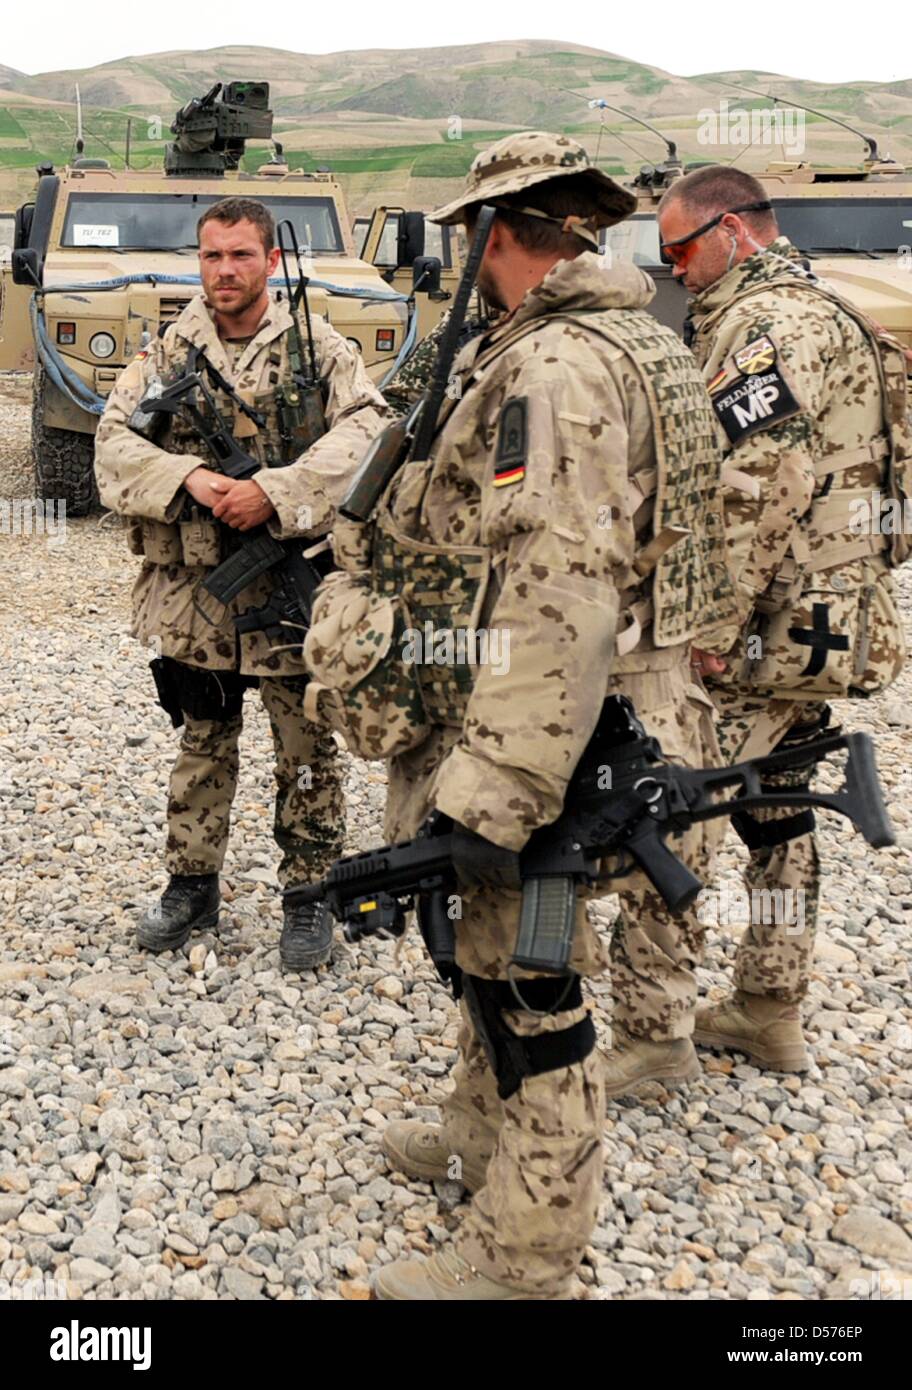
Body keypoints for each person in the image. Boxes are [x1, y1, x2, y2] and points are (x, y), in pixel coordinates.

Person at [304, 131, 740, 1298]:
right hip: (605, 707)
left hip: (554, 725)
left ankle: (524, 1254)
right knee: (485, 952)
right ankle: (474, 1136)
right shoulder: (641, 335)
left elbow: (556, 585)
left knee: (533, 988)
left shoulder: (551, 370)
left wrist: (499, 787)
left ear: (493, 235)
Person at [94, 196, 391, 970]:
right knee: (202, 739)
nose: (225, 271)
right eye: (212, 256)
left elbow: (370, 433)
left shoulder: (315, 345)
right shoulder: (167, 353)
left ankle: (309, 895)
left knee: (306, 747)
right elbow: (112, 446)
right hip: (198, 594)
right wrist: (189, 475)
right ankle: (191, 887)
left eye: (241, 256)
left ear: (270, 260)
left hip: (291, 587)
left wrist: (281, 491)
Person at [653, 165, 906, 1071]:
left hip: (770, 626)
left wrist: (711, 631)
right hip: (831, 615)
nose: (672, 267)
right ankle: (769, 1003)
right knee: (778, 809)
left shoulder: (772, 326)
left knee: (683, 805)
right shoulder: (834, 308)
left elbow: (755, 492)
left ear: (734, 231)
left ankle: (655, 1036)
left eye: (679, 247)